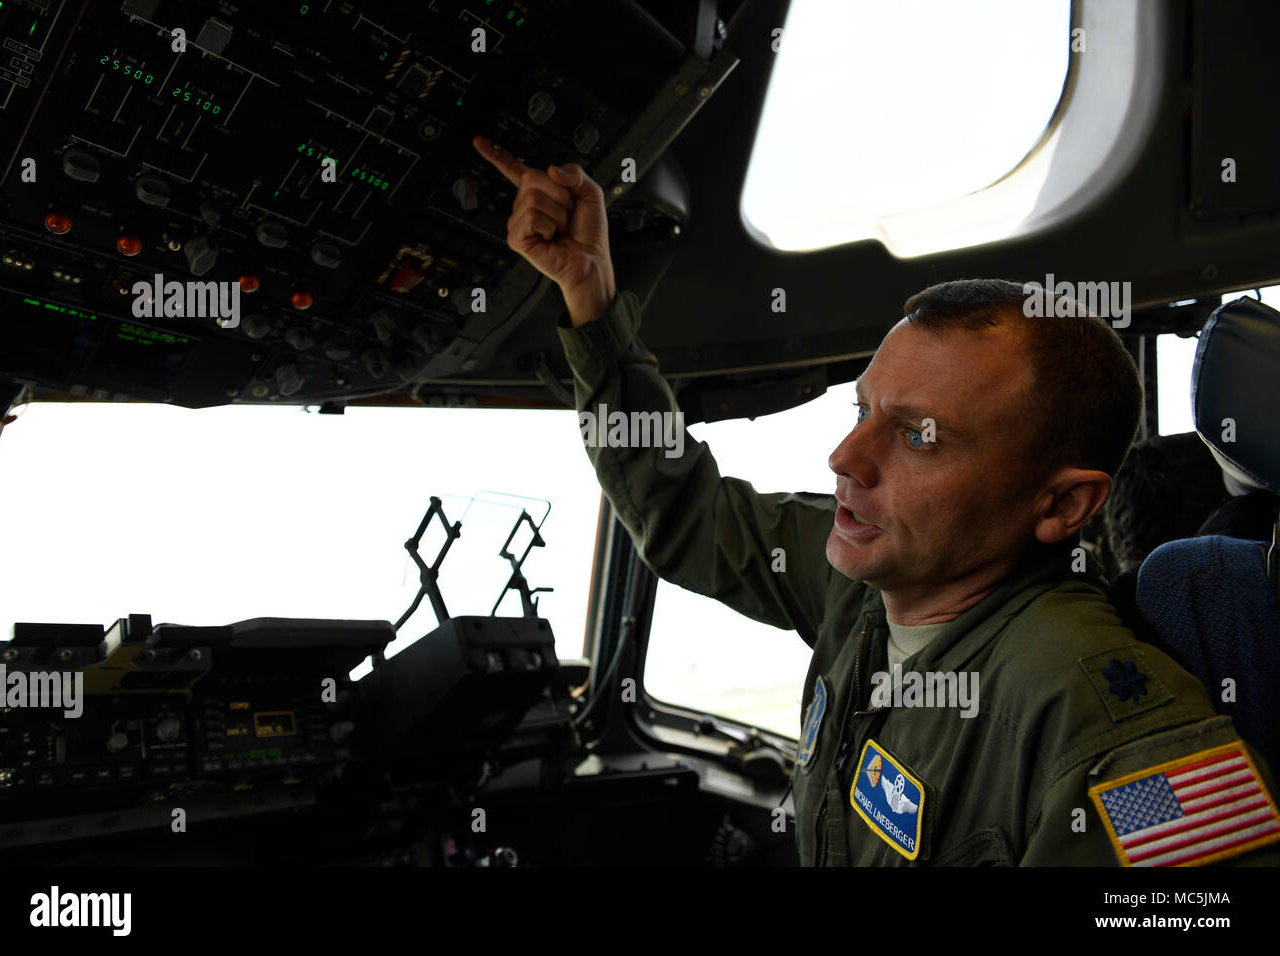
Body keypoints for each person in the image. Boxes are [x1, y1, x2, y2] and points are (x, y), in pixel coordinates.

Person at [470, 135, 1280, 866]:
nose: (846, 459)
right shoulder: (866, 577)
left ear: (1062, 506)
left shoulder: (1108, 722)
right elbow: (687, 515)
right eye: (863, 412)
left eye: (920, 436)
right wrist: (593, 298)